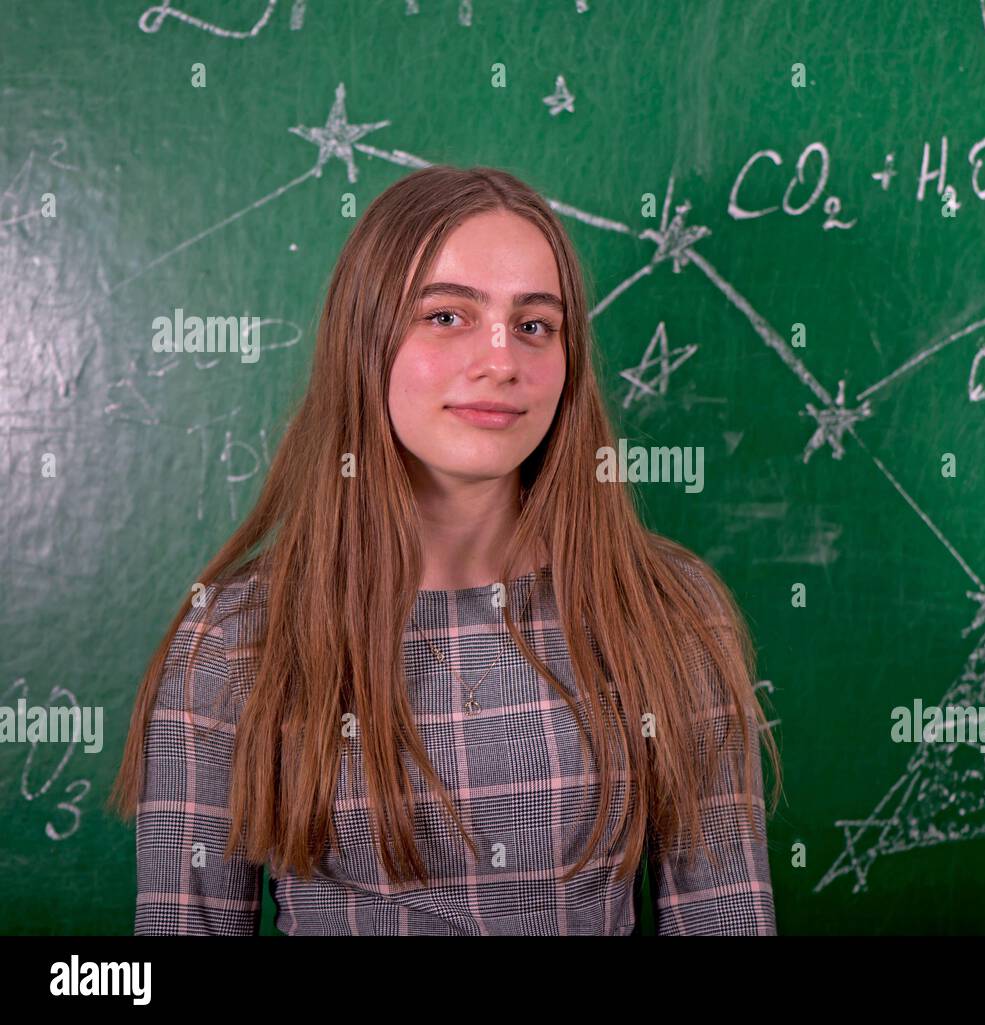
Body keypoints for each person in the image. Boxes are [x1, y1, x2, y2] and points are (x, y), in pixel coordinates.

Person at [111, 164, 782, 935]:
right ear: (365, 340)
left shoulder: (669, 612)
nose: (501, 360)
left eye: (535, 325)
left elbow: (727, 919)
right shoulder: (233, 639)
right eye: (446, 316)